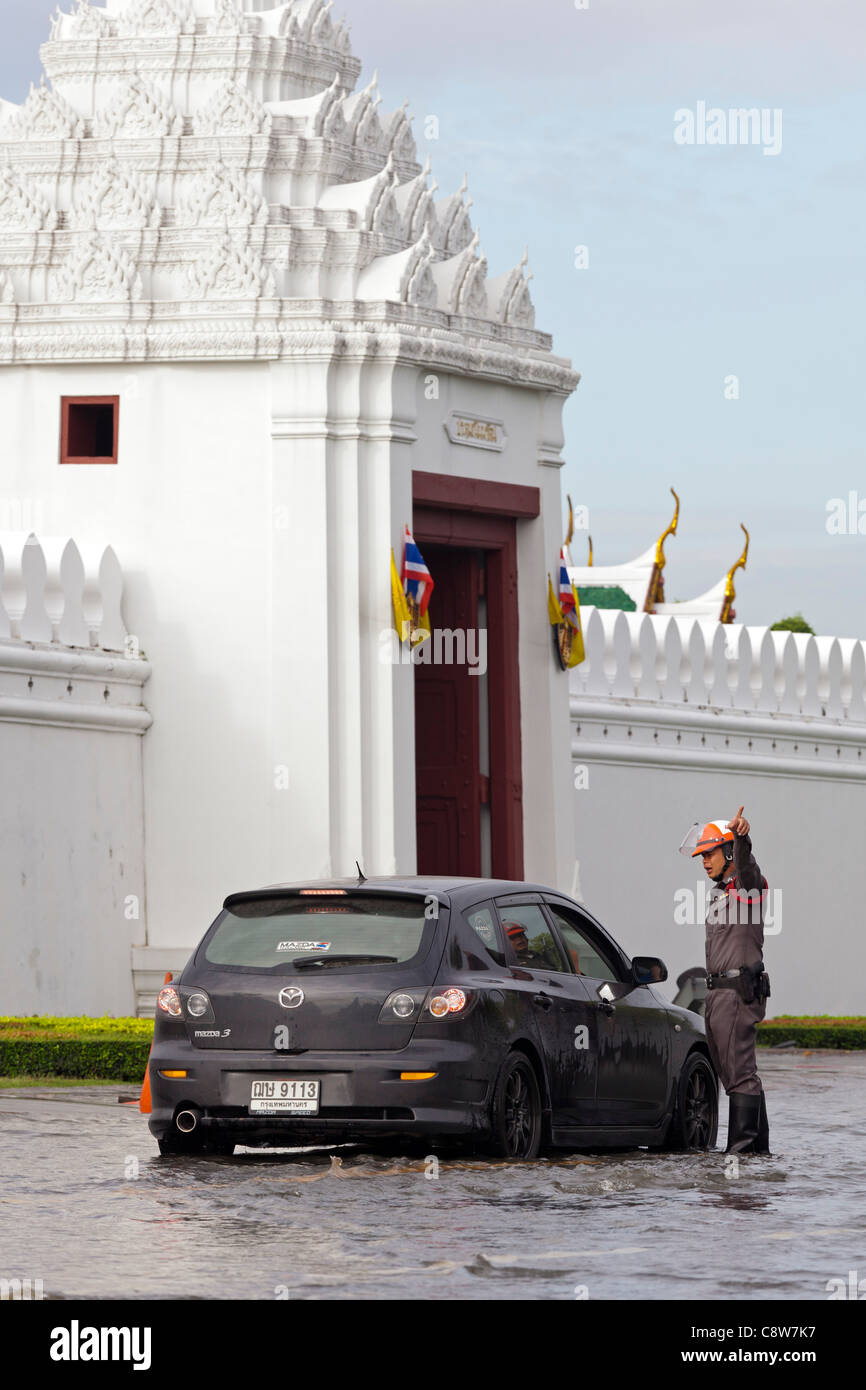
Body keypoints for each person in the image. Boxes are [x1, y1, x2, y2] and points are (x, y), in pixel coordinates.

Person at [680, 806, 771, 1154]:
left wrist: (743, 837)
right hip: (718, 994)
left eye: (711, 853)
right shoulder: (721, 892)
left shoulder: (748, 888)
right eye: (701, 855)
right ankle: (758, 1153)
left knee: (739, 1075)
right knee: (733, 1074)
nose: (704, 861)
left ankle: (740, 1157)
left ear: (729, 851)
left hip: (737, 993)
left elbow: (749, 867)